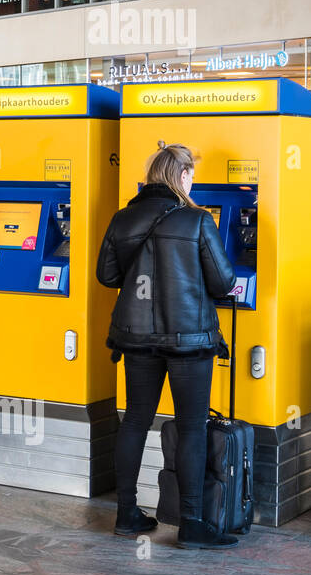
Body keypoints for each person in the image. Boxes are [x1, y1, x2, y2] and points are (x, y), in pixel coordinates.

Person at [97, 142, 237, 550]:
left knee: (136, 420)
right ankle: (191, 522)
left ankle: (127, 513)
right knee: (191, 425)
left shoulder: (123, 218)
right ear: (182, 176)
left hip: (136, 337)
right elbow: (224, 282)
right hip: (188, 340)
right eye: (190, 173)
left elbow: (107, 275)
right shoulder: (196, 220)